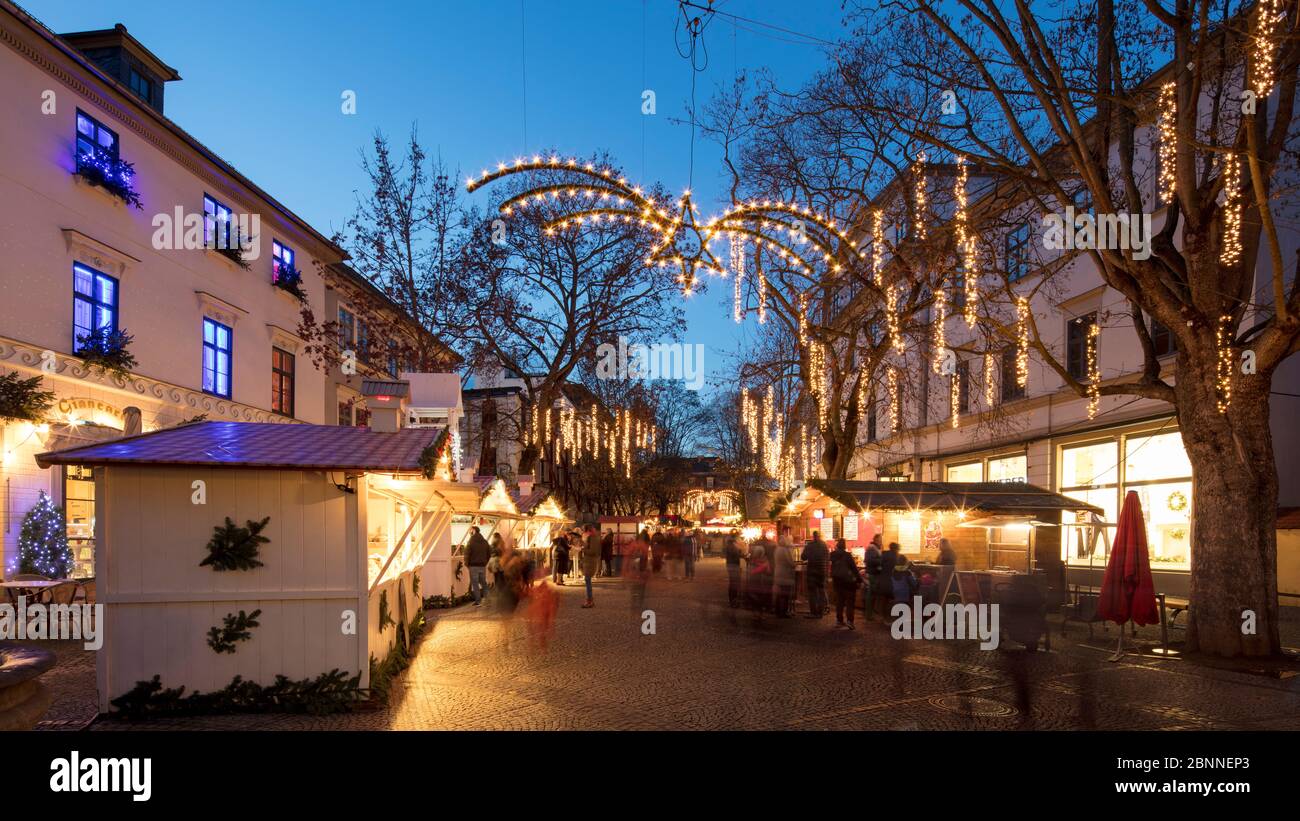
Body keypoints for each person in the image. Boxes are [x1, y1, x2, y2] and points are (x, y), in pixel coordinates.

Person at [829, 537, 864, 629]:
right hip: (848, 582)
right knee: (849, 601)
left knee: (840, 601)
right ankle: (850, 621)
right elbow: (854, 569)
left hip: (837, 581)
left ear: (837, 545)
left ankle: (839, 620)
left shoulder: (832, 555)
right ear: (844, 546)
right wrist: (860, 579)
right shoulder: (847, 555)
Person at [800, 528, 830, 618]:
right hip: (822, 572)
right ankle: (820, 612)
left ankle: (813, 612)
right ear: (819, 536)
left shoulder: (810, 545)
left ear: (813, 536)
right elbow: (828, 559)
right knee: (821, 592)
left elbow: (803, 557)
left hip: (812, 572)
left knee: (812, 593)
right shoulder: (824, 545)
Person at [464, 526, 491, 606]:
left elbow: (467, 553)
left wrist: (467, 564)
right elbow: (489, 553)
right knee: (483, 583)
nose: (469, 532)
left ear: (474, 530)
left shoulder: (471, 541)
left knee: (475, 583)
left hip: (473, 566)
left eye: (470, 530)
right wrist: (485, 562)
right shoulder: (485, 541)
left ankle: (478, 601)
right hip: (482, 565)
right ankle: (487, 600)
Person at [772, 530, 797, 618]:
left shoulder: (777, 549)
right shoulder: (785, 550)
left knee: (779, 594)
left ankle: (778, 611)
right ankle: (783, 612)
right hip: (785, 575)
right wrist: (794, 565)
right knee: (785, 595)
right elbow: (790, 562)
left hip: (778, 573)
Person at [745, 543, 773, 615]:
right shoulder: (765, 560)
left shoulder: (752, 560)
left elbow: (750, 571)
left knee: (755, 597)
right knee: (760, 597)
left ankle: (756, 612)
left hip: (756, 581)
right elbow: (768, 571)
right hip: (761, 582)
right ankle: (760, 612)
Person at [863, 534, 884, 619]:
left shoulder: (875, 548)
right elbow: (869, 560)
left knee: (872, 594)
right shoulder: (872, 548)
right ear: (876, 540)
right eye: (880, 540)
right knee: (871, 595)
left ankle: (870, 613)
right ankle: (869, 615)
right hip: (872, 574)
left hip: (874, 573)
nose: (881, 541)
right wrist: (881, 560)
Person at [581, 524, 601, 608]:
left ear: (587, 531)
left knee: (588, 580)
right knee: (587, 580)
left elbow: (593, 551)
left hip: (590, 562)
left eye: (584, 531)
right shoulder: (593, 537)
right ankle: (589, 599)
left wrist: (583, 549)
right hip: (589, 562)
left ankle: (590, 600)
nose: (583, 533)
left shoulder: (592, 537)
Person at [724, 532, 744, 608]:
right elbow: (736, 555)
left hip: (731, 565)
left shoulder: (730, 545)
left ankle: (733, 600)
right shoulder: (732, 546)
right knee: (734, 583)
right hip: (733, 566)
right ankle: (733, 600)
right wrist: (742, 554)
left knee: (733, 583)